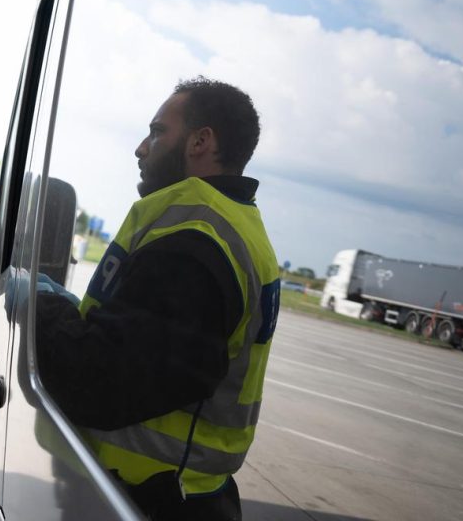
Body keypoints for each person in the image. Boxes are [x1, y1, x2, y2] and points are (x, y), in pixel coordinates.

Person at [36, 77, 282, 520]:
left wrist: (40, 306)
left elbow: (101, 380)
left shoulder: (194, 237)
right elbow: (139, 344)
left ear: (200, 141)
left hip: (147, 497)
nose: (141, 148)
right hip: (181, 492)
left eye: (156, 132)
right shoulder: (236, 225)